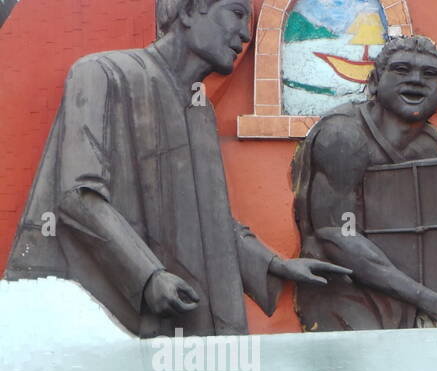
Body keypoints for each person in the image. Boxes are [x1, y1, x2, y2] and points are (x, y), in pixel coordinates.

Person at [5, 0, 348, 337]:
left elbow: (211, 220)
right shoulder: (102, 73)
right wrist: (147, 276)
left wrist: (276, 266)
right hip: (108, 321)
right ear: (187, 10)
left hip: (192, 323)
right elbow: (78, 197)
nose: (245, 35)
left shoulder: (199, 112)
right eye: (237, 13)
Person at [290, 35, 437, 332]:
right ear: (375, 82)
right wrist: (424, 296)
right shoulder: (343, 135)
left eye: (430, 73)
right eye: (401, 69)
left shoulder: (429, 145)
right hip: (345, 295)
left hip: (412, 293)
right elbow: (335, 235)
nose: (416, 80)